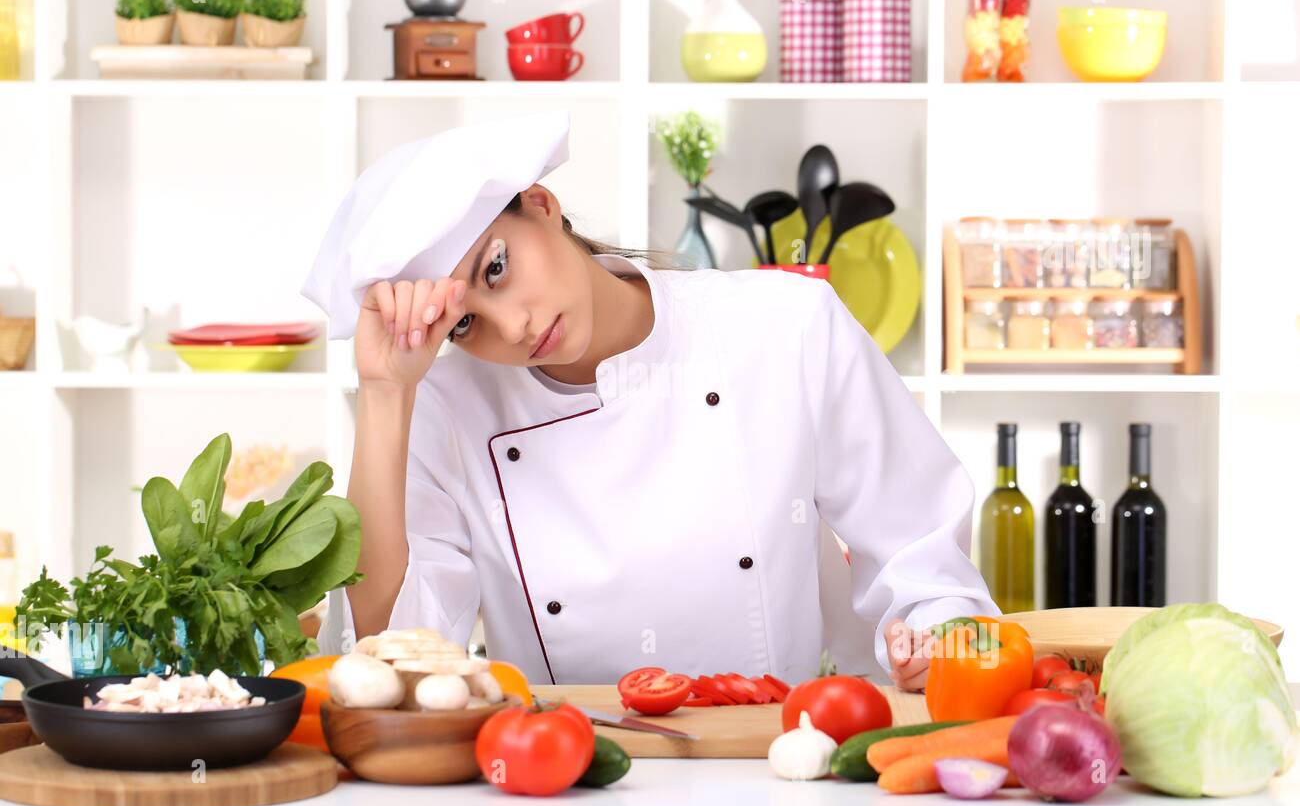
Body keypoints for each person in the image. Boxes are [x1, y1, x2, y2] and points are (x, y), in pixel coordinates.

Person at [302, 109, 998, 689]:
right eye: (463, 324)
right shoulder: (445, 408)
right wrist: (388, 395)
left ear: (543, 205)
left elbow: (918, 546)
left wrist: (936, 645)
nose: (510, 326)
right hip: (562, 773)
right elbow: (391, 654)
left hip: (777, 764)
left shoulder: (788, 327)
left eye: (497, 268)